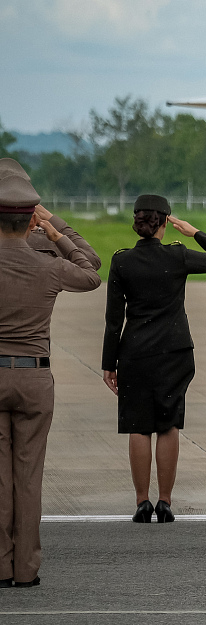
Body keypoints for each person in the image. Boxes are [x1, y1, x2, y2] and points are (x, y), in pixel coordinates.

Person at [102, 195, 206, 523]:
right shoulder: (177, 256)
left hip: (134, 352)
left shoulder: (122, 261)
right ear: (164, 222)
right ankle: (164, 501)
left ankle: (141, 502)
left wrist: (109, 363)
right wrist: (195, 233)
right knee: (168, 424)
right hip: (173, 351)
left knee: (138, 426)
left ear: (136, 222)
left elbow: (113, 320)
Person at [0, 162, 101, 588]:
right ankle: (26, 568)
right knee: (29, 474)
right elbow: (92, 267)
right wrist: (53, 226)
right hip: (35, 378)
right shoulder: (47, 261)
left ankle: (1, 567)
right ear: (30, 217)